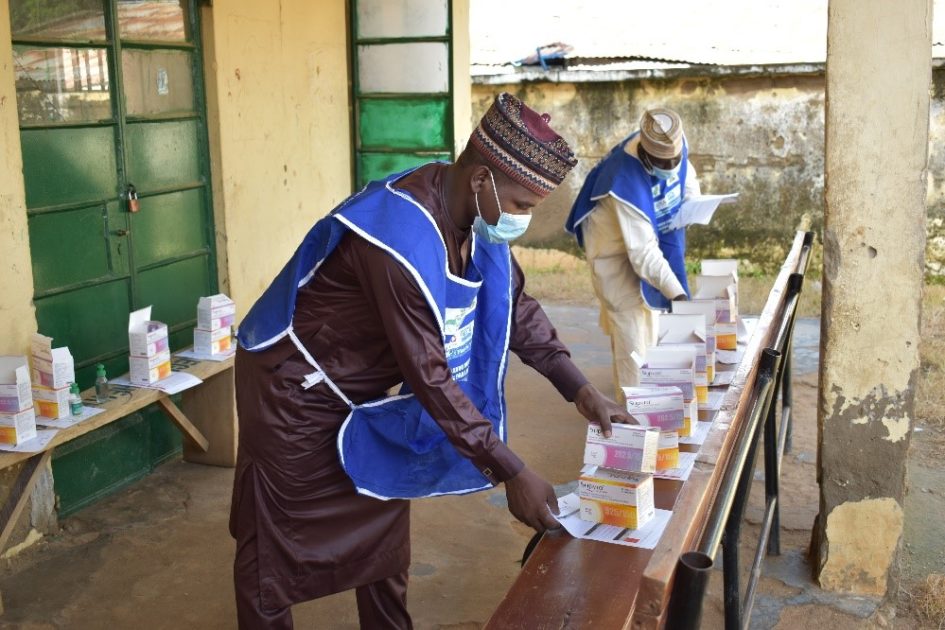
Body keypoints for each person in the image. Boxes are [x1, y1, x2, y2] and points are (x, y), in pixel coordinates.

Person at [230, 92, 632, 629]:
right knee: (275, 548)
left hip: (362, 393)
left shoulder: (476, 221)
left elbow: (512, 308)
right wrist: (510, 469)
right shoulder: (398, 240)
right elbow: (429, 378)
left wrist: (579, 389)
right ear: (481, 180)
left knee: (383, 523)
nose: (521, 221)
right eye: (521, 206)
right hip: (294, 391)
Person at [565, 108, 701, 399]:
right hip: (610, 249)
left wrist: (692, 201)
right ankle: (633, 417)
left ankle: (651, 401)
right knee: (633, 336)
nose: (671, 165)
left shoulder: (673, 138)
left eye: (675, 159)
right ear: (646, 156)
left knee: (653, 321)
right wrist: (678, 295)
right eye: (664, 163)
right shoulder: (623, 180)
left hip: (643, 235)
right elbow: (643, 255)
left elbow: (685, 173)